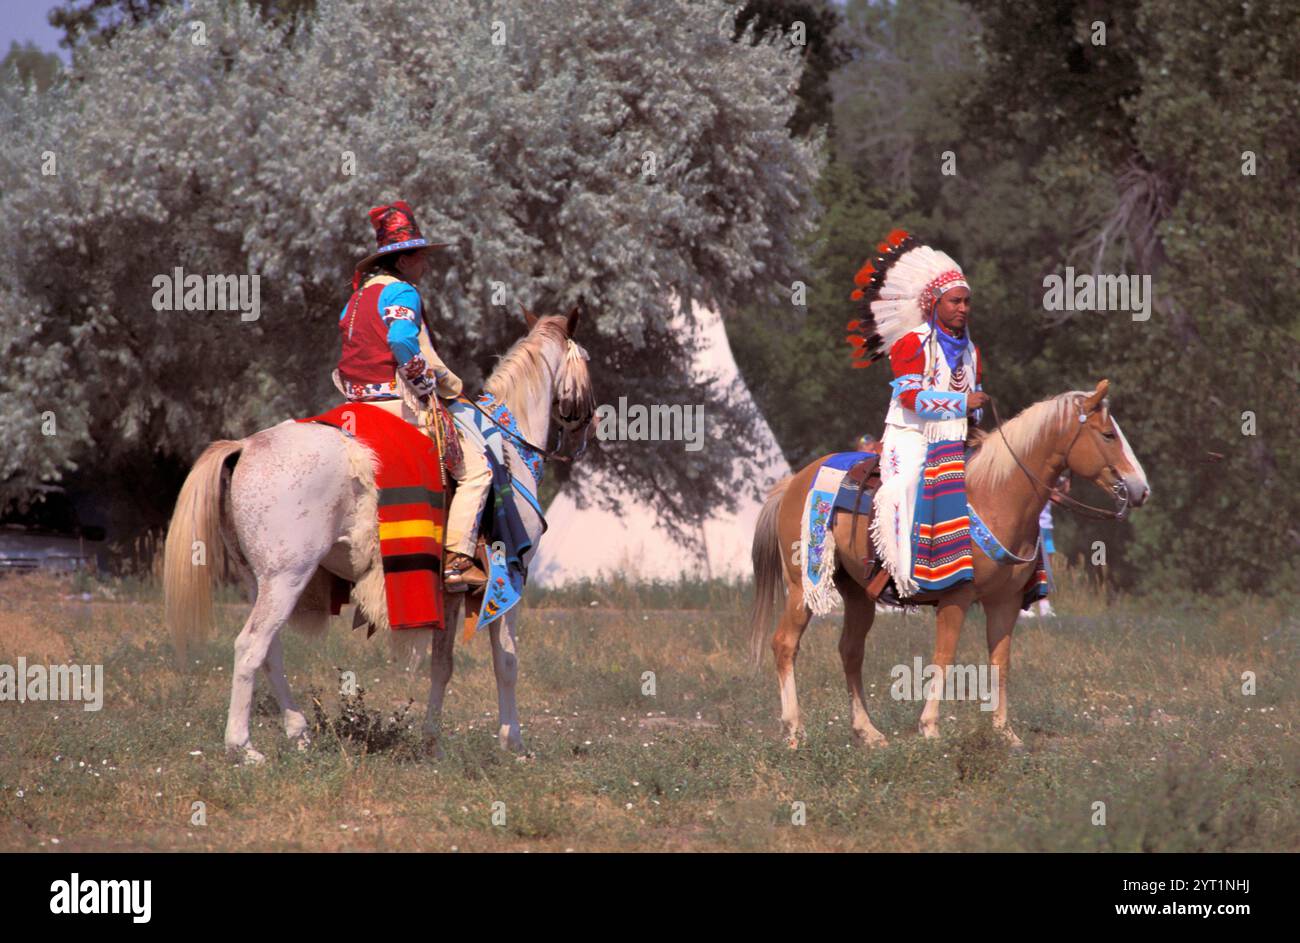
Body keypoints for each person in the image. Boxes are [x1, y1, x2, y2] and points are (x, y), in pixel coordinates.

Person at [336, 201, 491, 591]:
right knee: (476, 471)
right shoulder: (402, 292)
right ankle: (457, 561)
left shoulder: (354, 300)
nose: (425, 265)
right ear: (402, 262)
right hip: (396, 405)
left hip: (354, 406)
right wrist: (425, 386)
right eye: (420, 257)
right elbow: (402, 341)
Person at [846, 232, 986, 598]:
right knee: (905, 486)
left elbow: (973, 399)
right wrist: (961, 405)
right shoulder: (911, 343)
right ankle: (891, 572)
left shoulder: (971, 350)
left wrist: (976, 415)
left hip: (955, 440)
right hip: (909, 437)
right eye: (955, 301)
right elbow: (909, 398)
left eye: (967, 302)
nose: (963, 308)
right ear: (934, 303)